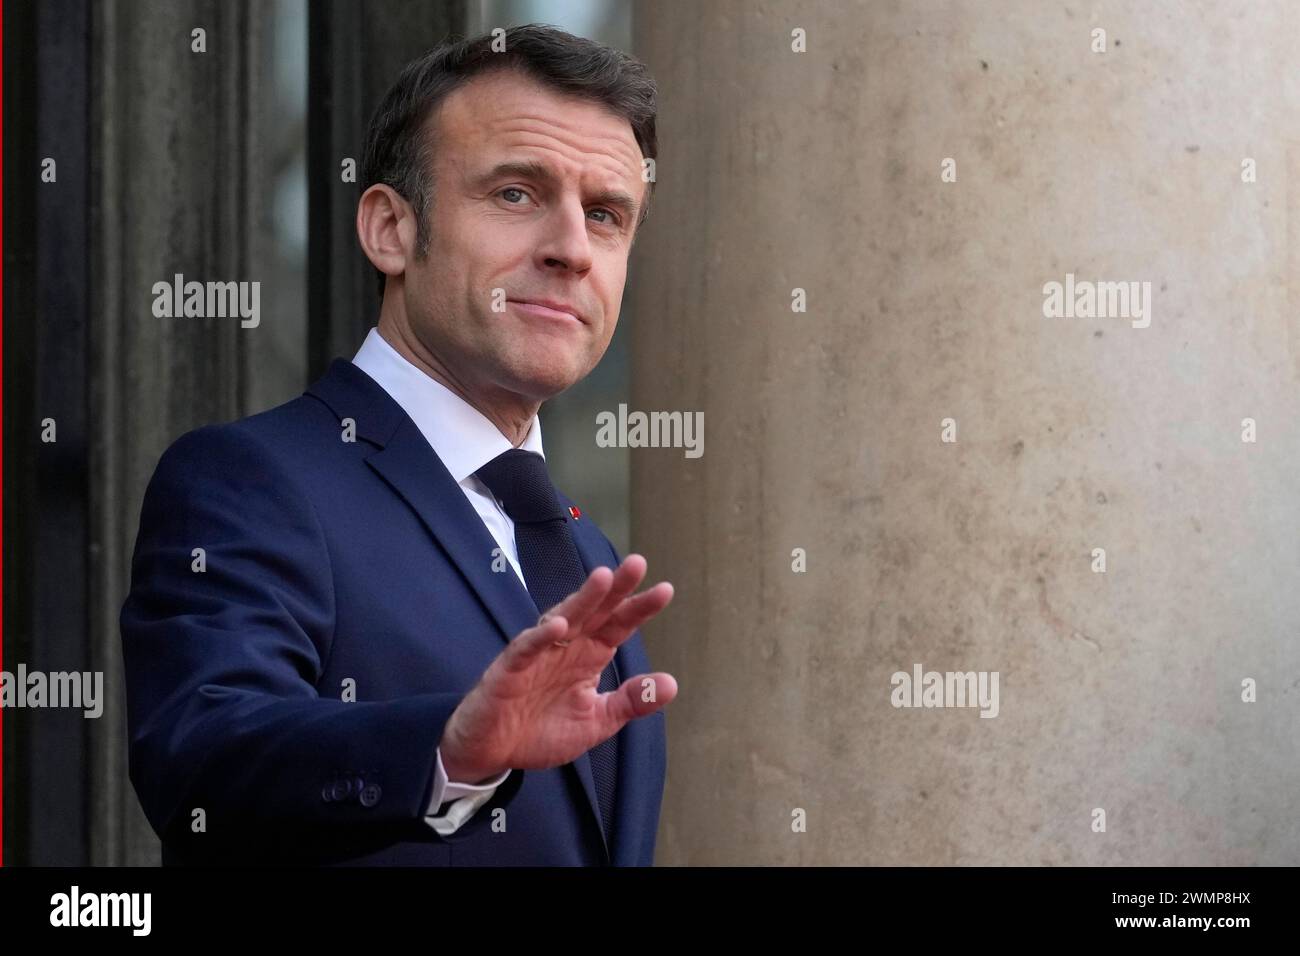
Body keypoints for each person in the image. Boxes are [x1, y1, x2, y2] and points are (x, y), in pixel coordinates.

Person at [119, 24, 677, 866]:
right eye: (517, 194)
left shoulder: (582, 552)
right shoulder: (253, 480)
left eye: (606, 215)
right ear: (389, 229)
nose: (571, 249)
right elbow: (202, 755)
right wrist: (447, 754)